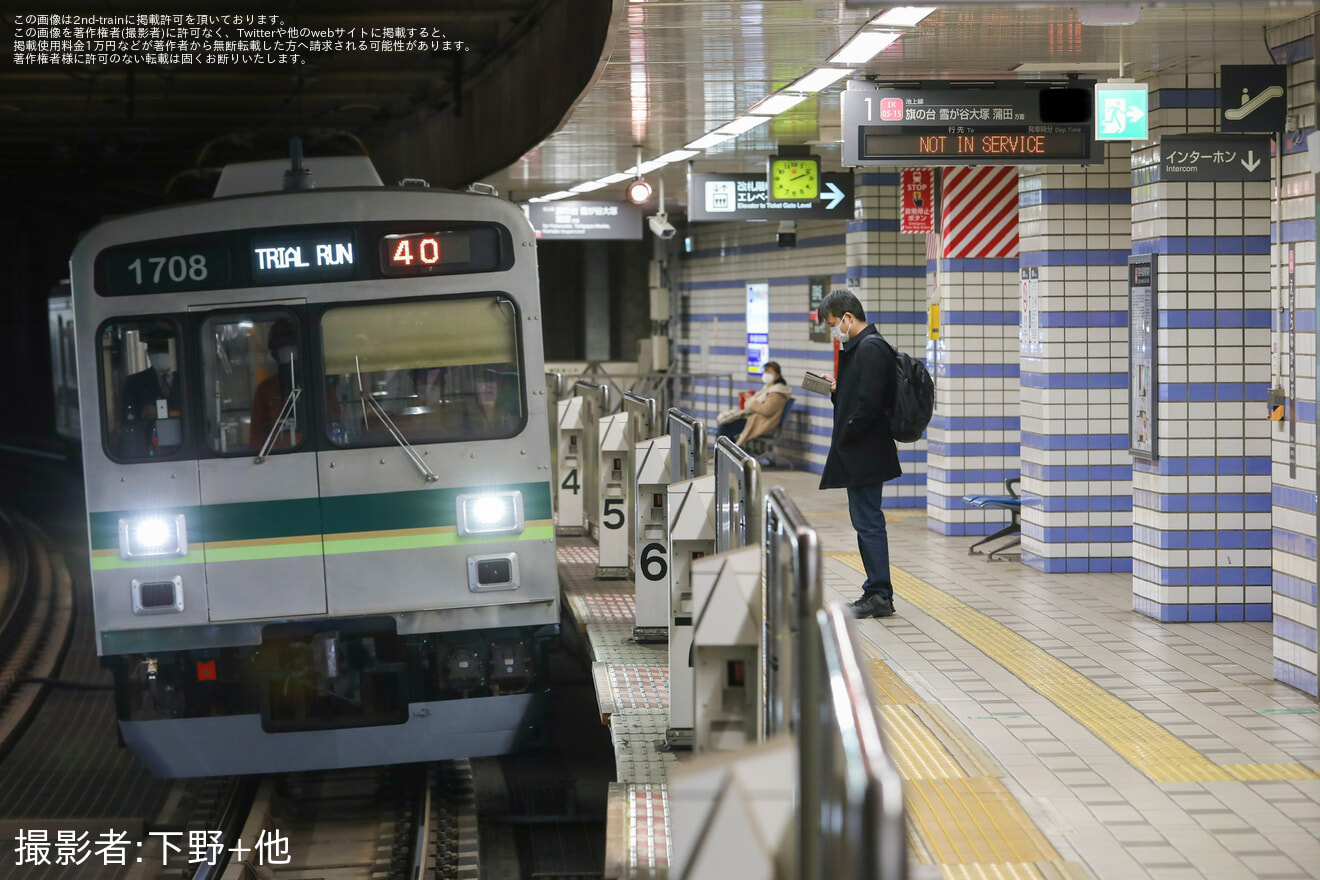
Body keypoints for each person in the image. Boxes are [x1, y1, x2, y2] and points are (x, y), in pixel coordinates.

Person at [817, 290, 901, 619]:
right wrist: (839, 389)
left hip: (866, 452)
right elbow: (860, 396)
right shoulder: (860, 347)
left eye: (834, 324)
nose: (834, 331)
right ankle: (875, 590)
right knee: (865, 521)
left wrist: (849, 431)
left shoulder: (871, 347)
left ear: (849, 318)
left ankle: (880, 594)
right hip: (862, 450)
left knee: (868, 523)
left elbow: (869, 405)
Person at [119, 331, 181, 457]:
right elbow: (125, 422)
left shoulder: (187, 378)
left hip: (185, 449)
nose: (159, 354)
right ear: (148, 353)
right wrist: (141, 415)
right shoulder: (134, 383)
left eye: (163, 349)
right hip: (148, 453)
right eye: (154, 349)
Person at [249, 319, 302, 450]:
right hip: (276, 459)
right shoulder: (265, 390)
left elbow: (332, 419)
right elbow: (257, 436)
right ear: (274, 355)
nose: (288, 349)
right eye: (282, 345)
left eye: (291, 343)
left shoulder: (317, 385)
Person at [713, 361, 790, 447]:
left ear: (777, 375)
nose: (766, 374)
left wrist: (751, 401)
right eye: (765, 371)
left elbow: (766, 410)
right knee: (727, 424)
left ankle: (725, 454)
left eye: (769, 372)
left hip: (761, 423)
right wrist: (751, 399)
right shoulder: (769, 387)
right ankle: (728, 453)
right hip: (756, 419)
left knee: (725, 427)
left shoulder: (777, 393)